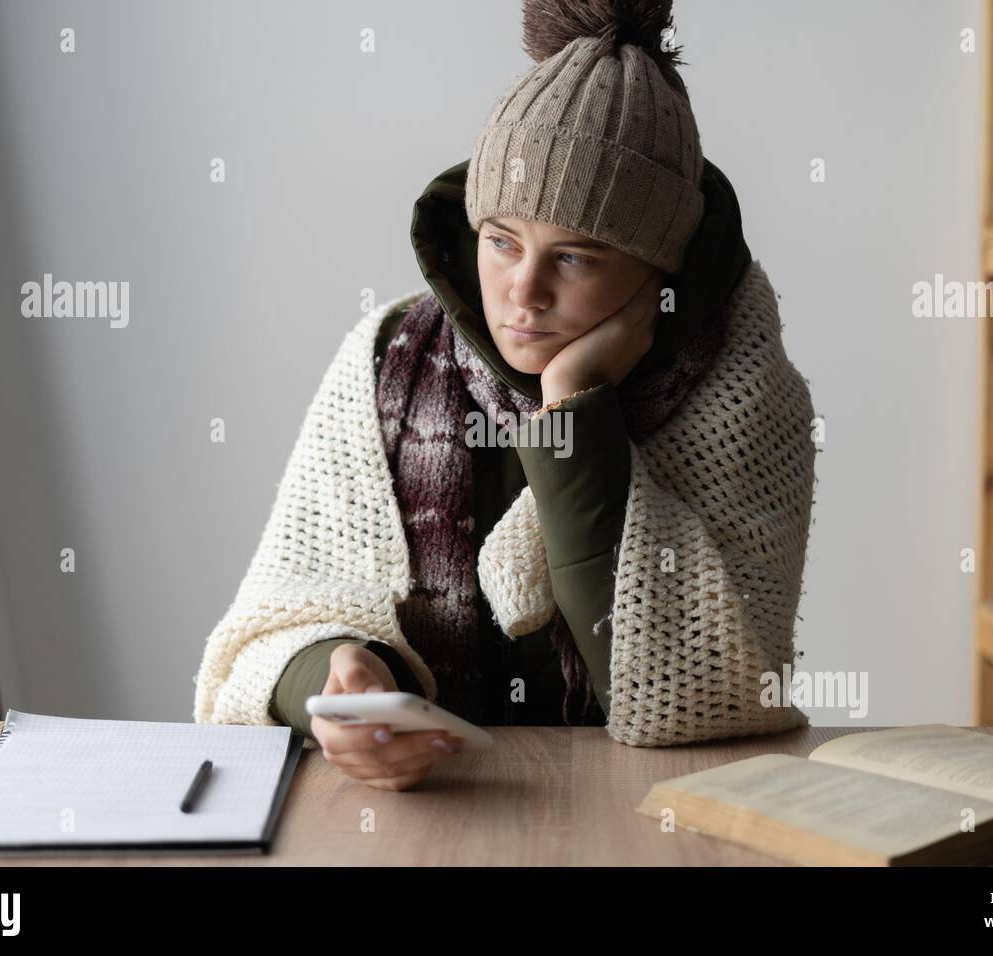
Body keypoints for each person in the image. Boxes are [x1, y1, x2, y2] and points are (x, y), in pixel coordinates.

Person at [193, 0, 817, 791]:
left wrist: (573, 410)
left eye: (579, 258)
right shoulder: (387, 364)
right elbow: (270, 627)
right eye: (501, 242)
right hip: (425, 818)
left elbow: (695, 697)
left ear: (661, 271)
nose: (523, 292)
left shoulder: (744, 394)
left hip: (651, 816)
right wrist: (335, 677)